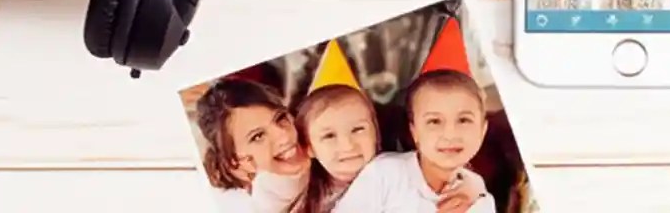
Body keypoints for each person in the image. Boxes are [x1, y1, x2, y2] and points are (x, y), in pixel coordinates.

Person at [331, 70, 494, 213]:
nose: (450, 134)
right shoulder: (385, 175)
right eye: (434, 121)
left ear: (483, 130)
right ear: (414, 131)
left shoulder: (480, 201)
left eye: (464, 120)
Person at [194, 78, 311, 213]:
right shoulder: (272, 197)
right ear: (238, 163)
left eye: (280, 118)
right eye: (258, 136)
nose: (284, 136)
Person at [288, 84, 381, 213]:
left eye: (358, 129)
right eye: (329, 136)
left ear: (375, 132)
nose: (348, 146)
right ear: (309, 147)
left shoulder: (397, 176)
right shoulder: (303, 201)